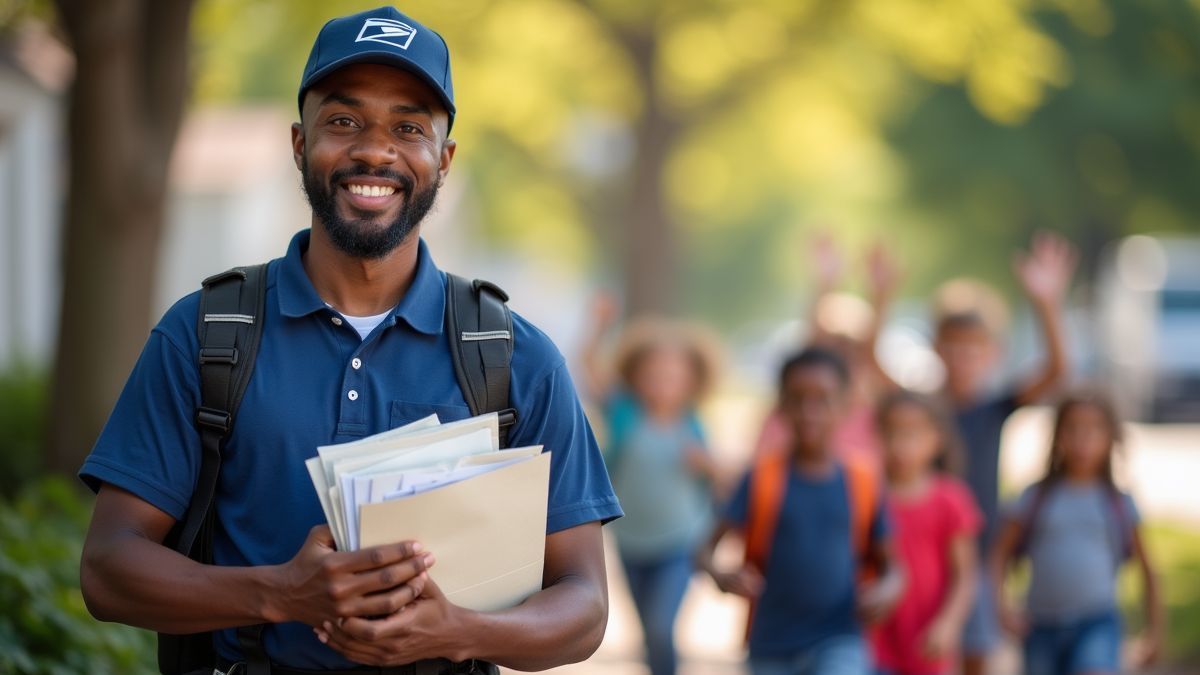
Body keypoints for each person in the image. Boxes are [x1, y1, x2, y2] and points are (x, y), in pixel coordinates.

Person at [76, 6, 622, 673]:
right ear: (299, 144)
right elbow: (108, 569)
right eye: (343, 121)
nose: (374, 150)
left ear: (444, 160)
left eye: (408, 128)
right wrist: (278, 593)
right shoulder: (203, 334)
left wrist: (458, 630)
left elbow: (584, 605)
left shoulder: (515, 356)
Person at [698, 347, 904, 675]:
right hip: (771, 643)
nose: (809, 412)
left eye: (823, 400)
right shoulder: (762, 477)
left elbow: (892, 565)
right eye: (797, 399)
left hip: (840, 636)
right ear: (781, 405)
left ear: (846, 405)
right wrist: (722, 575)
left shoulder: (862, 481)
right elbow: (704, 552)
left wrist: (888, 589)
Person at [932, 232, 1076, 675]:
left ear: (992, 354)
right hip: (927, 548)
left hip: (978, 552)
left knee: (976, 652)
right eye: (952, 347)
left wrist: (1046, 304)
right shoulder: (924, 410)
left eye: (972, 349)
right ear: (936, 348)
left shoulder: (995, 407)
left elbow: (1056, 370)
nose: (962, 358)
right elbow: (874, 372)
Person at [578, 295, 719, 675]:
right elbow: (589, 366)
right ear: (635, 376)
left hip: (681, 542)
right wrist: (600, 327)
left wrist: (708, 465)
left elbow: (719, 479)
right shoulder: (625, 413)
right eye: (653, 375)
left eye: (673, 377)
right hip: (632, 541)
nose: (662, 384)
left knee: (661, 626)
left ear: (690, 382)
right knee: (648, 632)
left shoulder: (691, 424)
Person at [990, 391, 1164, 675]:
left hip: (1097, 621)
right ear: (1058, 435)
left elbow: (1148, 569)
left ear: (1111, 437)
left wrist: (1154, 632)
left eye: (1094, 429)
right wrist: (1002, 607)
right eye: (1073, 428)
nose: (1083, 439)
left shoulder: (1118, 502)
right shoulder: (1035, 497)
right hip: (1041, 625)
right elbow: (999, 555)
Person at [754, 236, 902, 472]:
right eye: (834, 346)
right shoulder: (790, 414)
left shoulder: (878, 413)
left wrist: (881, 298)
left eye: (851, 348)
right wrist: (823, 286)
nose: (841, 357)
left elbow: (871, 354)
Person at [869, 390, 981, 675]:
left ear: (937, 439)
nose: (900, 445)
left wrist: (949, 623)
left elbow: (965, 575)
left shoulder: (951, 499)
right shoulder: (867, 496)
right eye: (890, 433)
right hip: (874, 643)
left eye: (912, 434)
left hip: (928, 642)